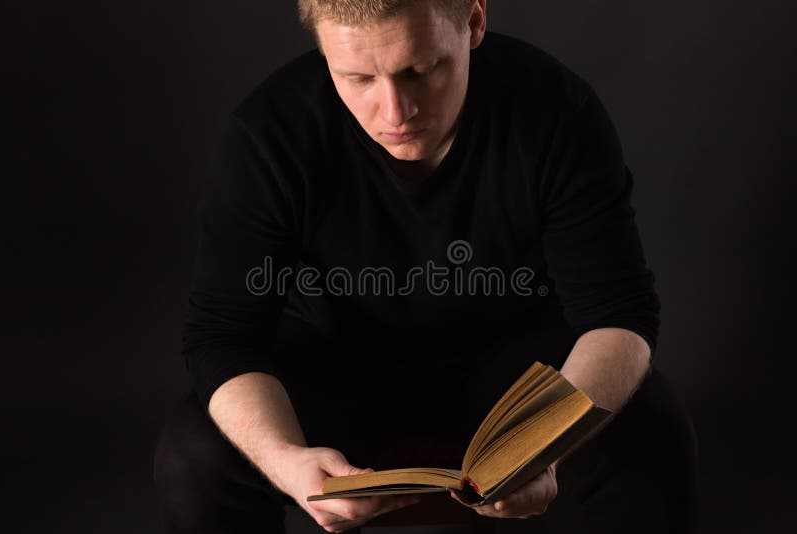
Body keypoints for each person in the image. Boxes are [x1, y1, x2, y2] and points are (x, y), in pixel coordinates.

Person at [154, 1, 698, 533]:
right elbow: (223, 336)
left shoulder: (557, 109)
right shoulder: (268, 133)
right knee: (193, 452)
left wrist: (545, 448)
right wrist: (283, 460)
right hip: (336, 368)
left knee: (650, 427)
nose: (396, 113)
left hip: (513, 373)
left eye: (421, 70)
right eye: (358, 77)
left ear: (474, 20)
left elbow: (618, 316)